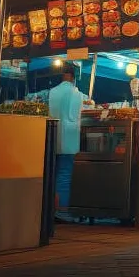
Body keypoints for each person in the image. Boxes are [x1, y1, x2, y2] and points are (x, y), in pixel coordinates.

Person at [48, 63, 87, 221]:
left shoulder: (53, 91)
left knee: (54, 173)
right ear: (73, 76)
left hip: (53, 136)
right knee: (65, 174)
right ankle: (62, 211)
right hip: (69, 139)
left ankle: (52, 209)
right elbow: (79, 113)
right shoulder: (75, 93)